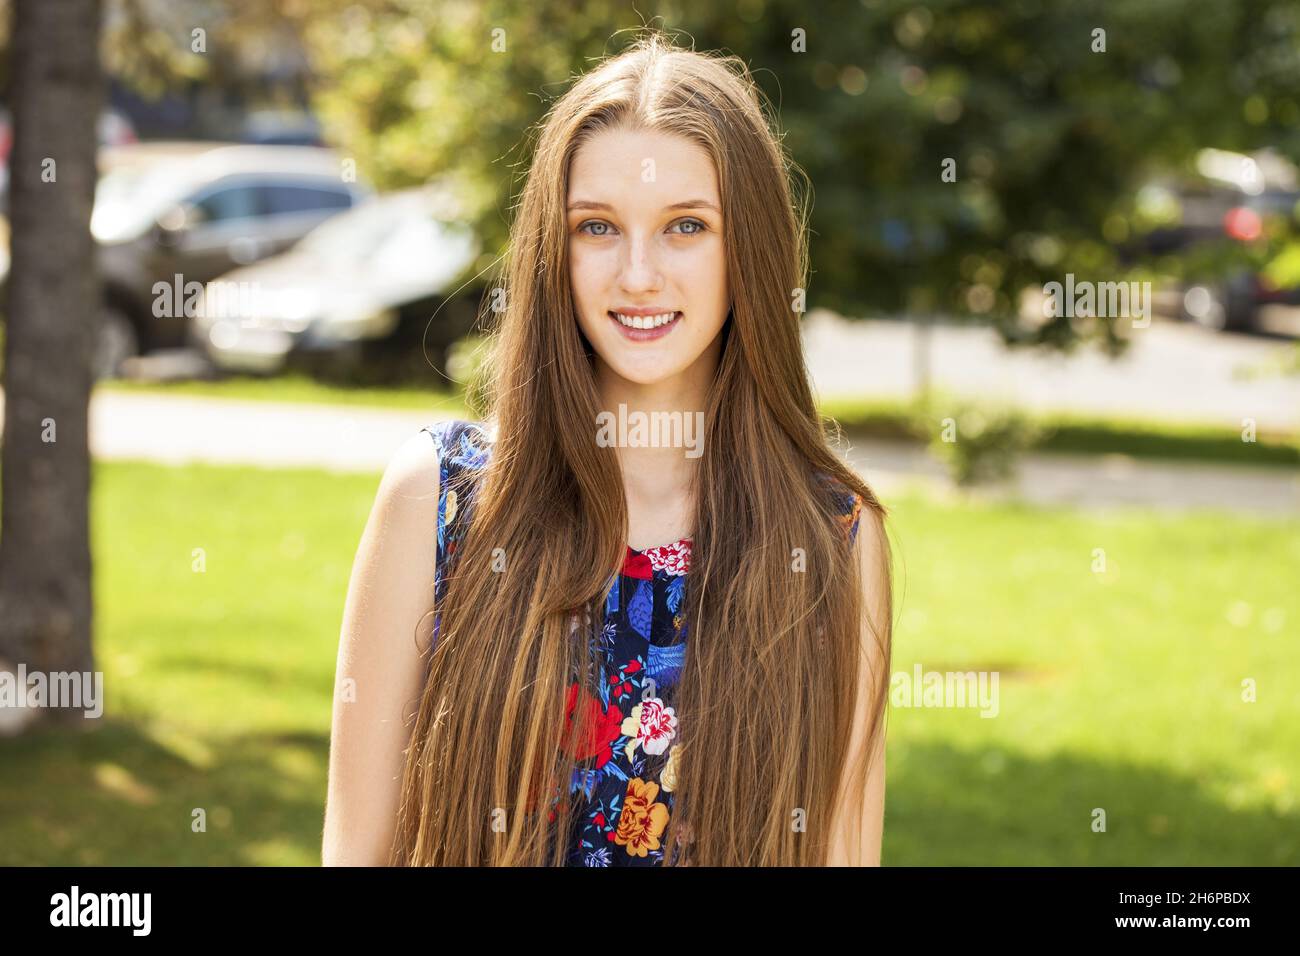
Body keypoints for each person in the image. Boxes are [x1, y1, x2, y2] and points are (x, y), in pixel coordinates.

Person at [322, 31, 893, 867]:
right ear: (556, 248)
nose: (637, 274)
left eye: (686, 227)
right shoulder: (440, 499)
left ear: (752, 252)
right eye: (597, 228)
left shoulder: (833, 538)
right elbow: (356, 855)